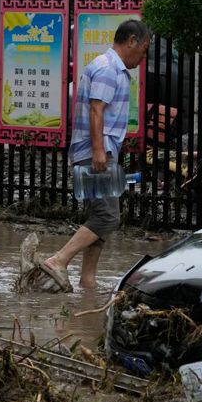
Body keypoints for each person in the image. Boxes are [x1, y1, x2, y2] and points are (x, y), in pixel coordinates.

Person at [39, 19, 150, 290]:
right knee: (108, 216)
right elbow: (96, 109)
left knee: (99, 216)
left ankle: (88, 279)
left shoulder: (113, 69)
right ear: (132, 41)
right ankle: (59, 259)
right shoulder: (107, 68)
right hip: (95, 153)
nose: (144, 56)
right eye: (144, 49)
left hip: (97, 152)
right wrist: (99, 152)